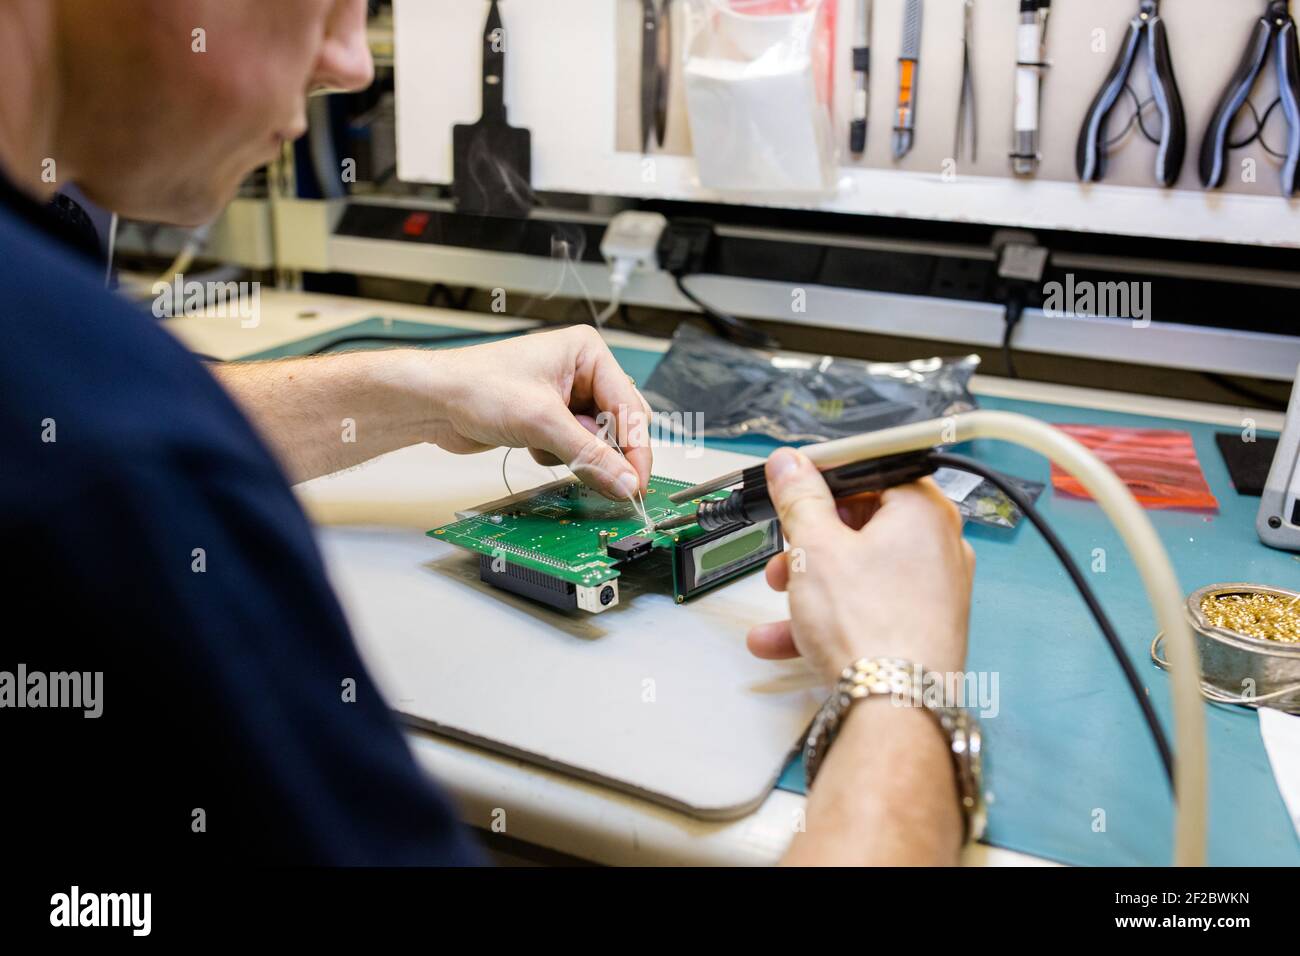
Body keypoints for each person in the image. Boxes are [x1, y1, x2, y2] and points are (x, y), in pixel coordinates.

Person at [0, 0, 973, 866]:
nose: (350, 61)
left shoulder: (69, 367)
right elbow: (105, 436)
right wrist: (902, 690)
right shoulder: (113, 452)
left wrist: (417, 389)